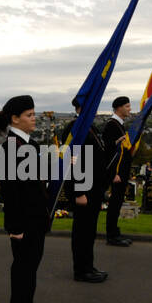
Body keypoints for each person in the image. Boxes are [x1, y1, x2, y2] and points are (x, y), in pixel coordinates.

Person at [0, 95, 51, 303]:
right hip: (24, 225)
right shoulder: (11, 147)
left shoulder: (28, 144)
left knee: (28, 278)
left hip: (35, 221)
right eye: (29, 115)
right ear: (15, 119)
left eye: (33, 114)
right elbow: (10, 191)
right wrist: (15, 227)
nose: (34, 118)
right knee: (23, 278)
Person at [60, 97, 108, 282]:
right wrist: (79, 192)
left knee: (89, 232)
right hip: (84, 191)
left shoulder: (90, 127)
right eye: (93, 105)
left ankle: (89, 265)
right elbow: (73, 162)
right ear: (82, 107)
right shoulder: (74, 128)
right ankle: (81, 270)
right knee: (82, 232)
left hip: (94, 188)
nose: (96, 109)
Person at [101, 96, 133, 247]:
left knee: (117, 203)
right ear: (118, 108)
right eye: (127, 106)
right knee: (114, 204)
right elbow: (109, 152)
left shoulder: (118, 124)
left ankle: (115, 232)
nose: (129, 109)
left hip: (121, 172)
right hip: (116, 174)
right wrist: (114, 174)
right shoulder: (111, 125)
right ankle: (111, 235)